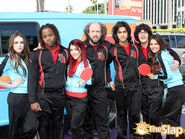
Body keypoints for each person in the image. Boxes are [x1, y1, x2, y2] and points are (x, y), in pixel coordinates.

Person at [134, 24, 181, 139]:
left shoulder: (155, 45)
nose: (143, 34)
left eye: (145, 32)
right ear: (137, 35)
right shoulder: (135, 48)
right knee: (145, 117)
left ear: (149, 34)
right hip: (142, 88)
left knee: (155, 117)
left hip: (156, 88)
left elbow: (172, 53)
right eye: (140, 32)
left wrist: (178, 61)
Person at [28, 24, 68, 139]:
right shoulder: (36, 54)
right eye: (44, 36)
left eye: (50, 35)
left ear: (56, 35)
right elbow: (32, 79)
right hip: (43, 96)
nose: (48, 38)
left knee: (58, 124)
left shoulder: (65, 52)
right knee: (44, 125)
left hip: (60, 96)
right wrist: (33, 101)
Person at [107, 21, 142, 139]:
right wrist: (109, 80)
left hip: (136, 87)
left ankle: (135, 137)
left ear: (128, 33)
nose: (122, 35)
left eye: (124, 32)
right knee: (121, 115)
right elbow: (105, 64)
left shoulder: (135, 47)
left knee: (135, 115)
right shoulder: (113, 49)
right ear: (116, 34)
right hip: (120, 87)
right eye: (119, 32)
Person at [148, 34, 185, 139]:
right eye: (151, 44)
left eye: (156, 44)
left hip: (175, 90)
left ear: (160, 44)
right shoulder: (165, 52)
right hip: (179, 88)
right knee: (174, 120)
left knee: (166, 118)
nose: (153, 46)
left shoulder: (160, 55)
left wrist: (154, 76)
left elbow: (166, 76)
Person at [83, 22, 112, 139]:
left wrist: (175, 57)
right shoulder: (81, 47)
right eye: (93, 31)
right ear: (88, 33)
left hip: (100, 90)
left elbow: (122, 52)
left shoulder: (107, 47)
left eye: (98, 31)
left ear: (102, 33)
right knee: (86, 121)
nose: (95, 34)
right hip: (84, 89)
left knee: (102, 121)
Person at [1, 32, 30, 139]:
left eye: (22, 42)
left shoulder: (26, 57)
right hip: (16, 98)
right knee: (14, 129)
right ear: (12, 44)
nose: (19, 45)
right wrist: (11, 85)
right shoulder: (9, 58)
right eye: (16, 42)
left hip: (29, 97)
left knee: (28, 127)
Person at [65, 39, 92, 139]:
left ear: (81, 50)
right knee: (75, 127)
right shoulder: (71, 62)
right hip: (68, 97)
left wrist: (83, 80)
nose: (73, 52)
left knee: (75, 126)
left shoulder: (86, 63)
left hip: (80, 100)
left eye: (76, 49)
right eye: (71, 50)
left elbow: (89, 81)